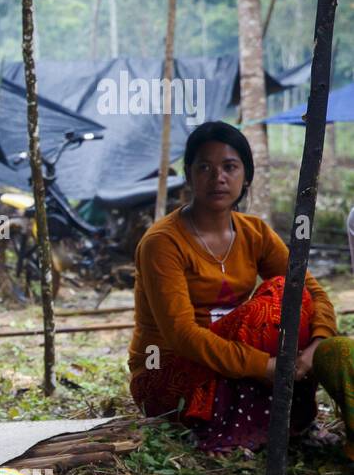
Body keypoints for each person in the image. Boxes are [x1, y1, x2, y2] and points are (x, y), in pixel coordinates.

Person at [129, 120, 354, 453]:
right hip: (167, 371)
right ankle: (242, 421)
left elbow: (312, 292)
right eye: (204, 167)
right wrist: (265, 366)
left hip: (227, 361)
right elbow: (182, 335)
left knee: (292, 292)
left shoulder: (254, 232)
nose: (218, 177)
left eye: (229, 167)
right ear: (189, 175)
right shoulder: (162, 243)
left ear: (245, 176)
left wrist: (315, 346)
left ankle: (288, 423)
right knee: (275, 300)